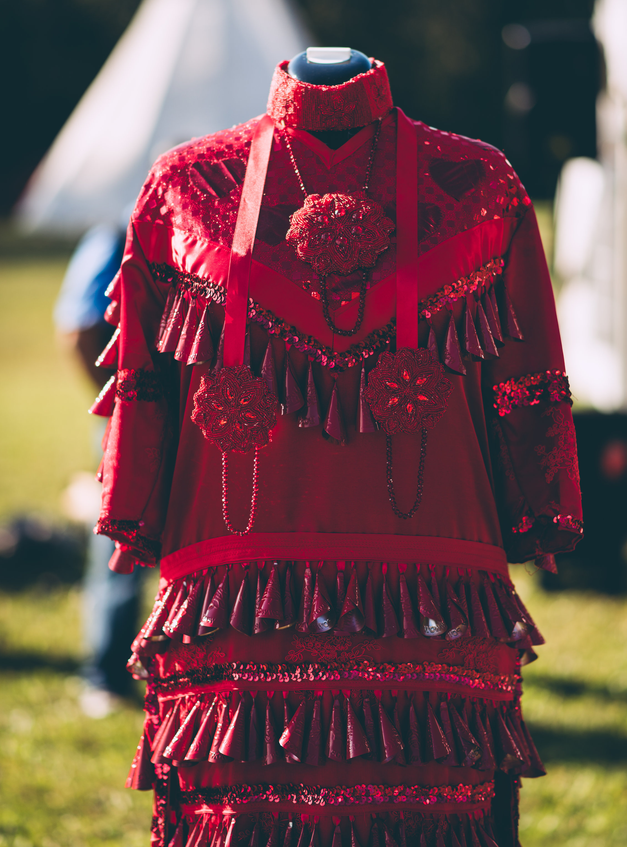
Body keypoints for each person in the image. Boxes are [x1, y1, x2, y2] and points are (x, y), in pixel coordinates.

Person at [94, 51, 583, 846]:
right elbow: (143, 377)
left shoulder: (479, 181)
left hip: (389, 570)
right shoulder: (187, 182)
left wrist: (135, 512)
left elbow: (526, 372)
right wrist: (539, 514)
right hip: (267, 572)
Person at [55, 221, 146, 716]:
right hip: (133, 411)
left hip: (211, 409)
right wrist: (118, 402)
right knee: (119, 537)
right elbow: (78, 323)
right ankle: (107, 672)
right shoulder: (117, 227)